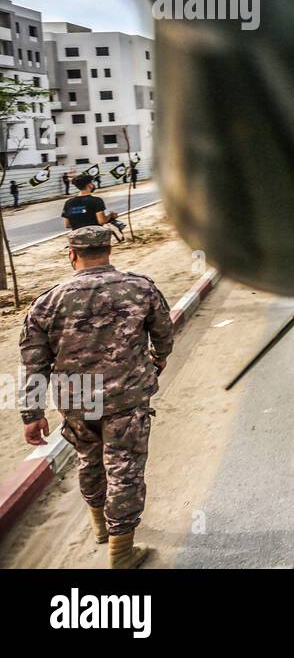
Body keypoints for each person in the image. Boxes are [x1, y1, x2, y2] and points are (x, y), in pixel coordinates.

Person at [19, 225, 173, 569]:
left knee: (90, 462)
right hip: (126, 399)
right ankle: (121, 552)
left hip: (78, 402)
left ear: (72, 254)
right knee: (125, 470)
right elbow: (164, 334)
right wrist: (158, 359)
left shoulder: (48, 301)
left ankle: (100, 526)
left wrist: (32, 415)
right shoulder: (141, 288)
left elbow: (34, 363)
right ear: (108, 250)